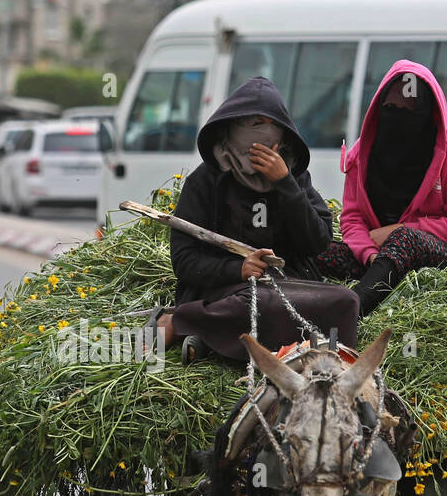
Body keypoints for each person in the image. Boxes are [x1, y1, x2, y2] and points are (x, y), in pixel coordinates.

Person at [152, 76, 359, 361]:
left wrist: (285, 183)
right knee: (257, 303)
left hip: (287, 286)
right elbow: (185, 260)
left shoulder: (294, 174)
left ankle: (209, 338)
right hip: (226, 290)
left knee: (346, 302)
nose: (260, 133)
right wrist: (238, 269)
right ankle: (181, 321)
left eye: (268, 124)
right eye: (251, 124)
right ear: (230, 129)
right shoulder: (206, 180)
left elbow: (318, 241)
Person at [314, 60, 447, 316]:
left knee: (405, 239)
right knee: (320, 250)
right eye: (391, 107)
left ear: (427, 112)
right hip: (379, 258)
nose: (398, 117)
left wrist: (398, 230)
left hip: (440, 261)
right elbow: (352, 218)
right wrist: (370, 255)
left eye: (408, 110)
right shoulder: (363, 151)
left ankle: (351, 311)